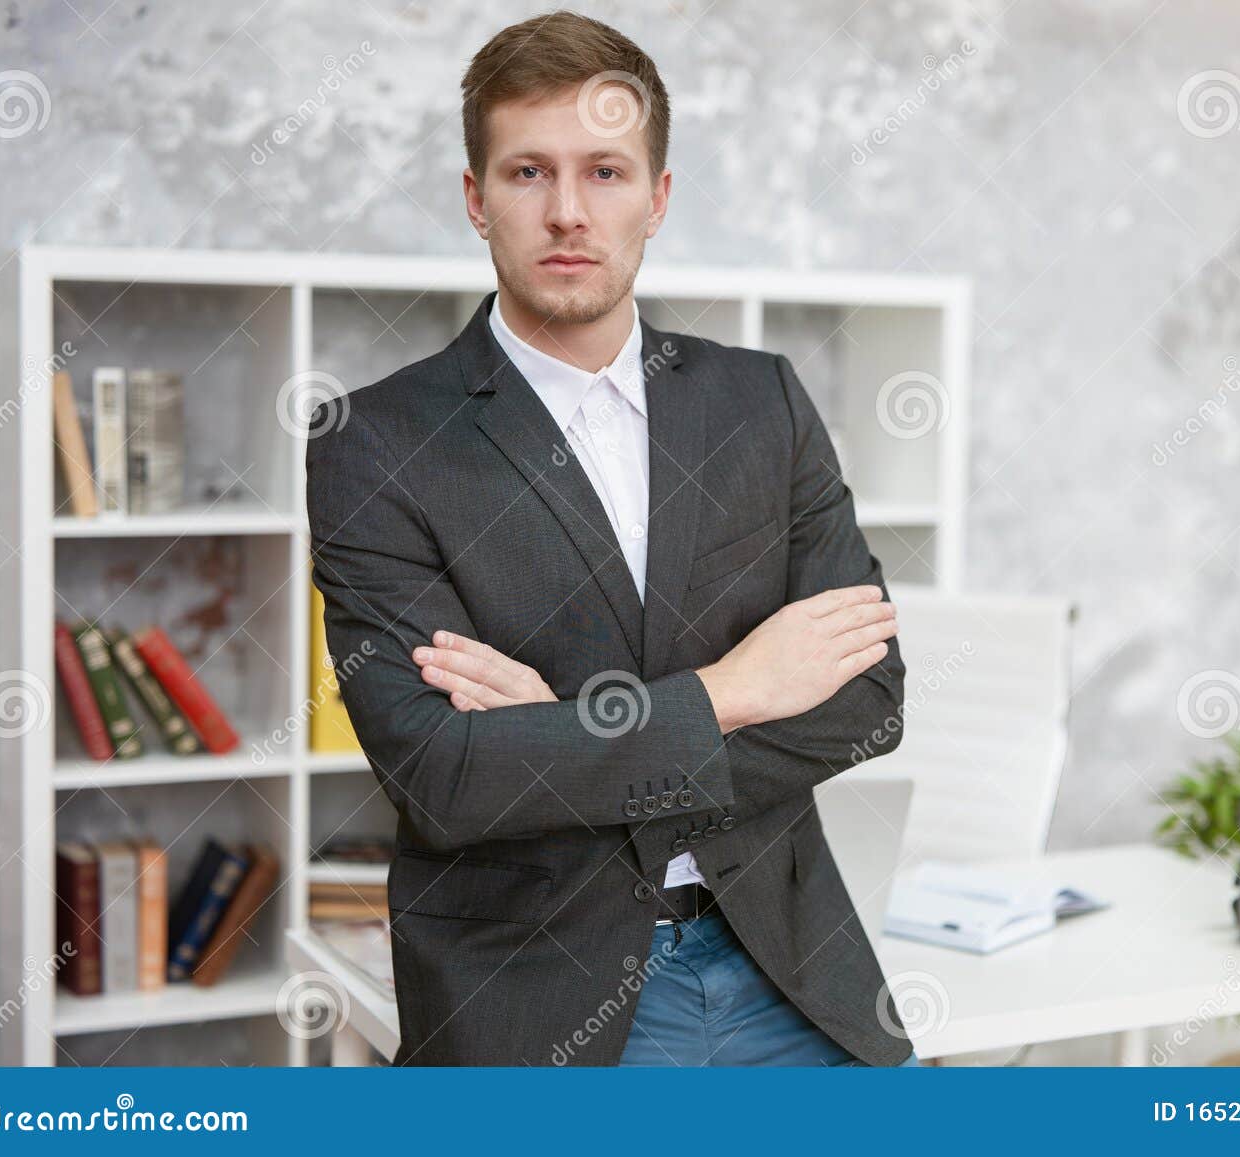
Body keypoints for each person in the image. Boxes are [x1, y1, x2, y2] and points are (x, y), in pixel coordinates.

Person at [306, 9, 917, 1067]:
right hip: (539, 992)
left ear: (657, 199)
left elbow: (866, 703)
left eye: (605, 172)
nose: (567, 213)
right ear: (475, 199)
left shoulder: (758, 402)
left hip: (787, 962)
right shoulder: (374, 443)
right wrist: (729, 689)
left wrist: (559, 735)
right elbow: (445, 777)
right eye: (529, 172)